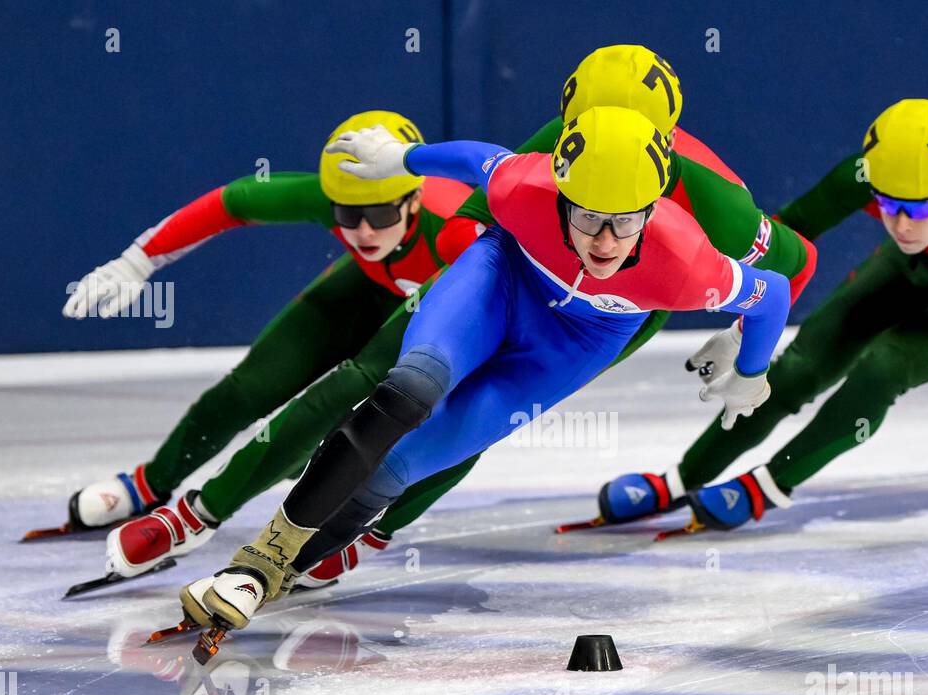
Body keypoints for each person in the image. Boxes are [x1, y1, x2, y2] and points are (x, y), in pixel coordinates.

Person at [177, 105, 796, 656]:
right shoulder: (525, 187)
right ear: (559, 194)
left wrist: (751, 369)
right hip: (499, 281)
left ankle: (284, 573)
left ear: (653, 207)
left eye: (625, 221)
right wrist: (401, 159)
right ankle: (258, 563)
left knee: (402, 471)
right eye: (586, 216)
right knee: (410, 390)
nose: (605, 242)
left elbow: (772, 293)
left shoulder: (685, 262)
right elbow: (478, 161)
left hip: (571, 345)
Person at [596, 98, 928, 535]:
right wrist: (742, 322)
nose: (898, 222)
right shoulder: (875, 179)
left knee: (885, 365)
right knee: (799, 366)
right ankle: (682, 476)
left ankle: (770, 485)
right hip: (926, 262)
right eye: (886, 204)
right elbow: (790, 235)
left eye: (916, 209)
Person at [45, 112, 468, 569]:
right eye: (347, 215)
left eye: (382, 213)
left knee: (416, 420)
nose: (364, 232)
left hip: (448, 305)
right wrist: (135, 262)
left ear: (414, 199)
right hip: (372, 288)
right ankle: (147, 485)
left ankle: (361, 537)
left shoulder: (454, 230)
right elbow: (231, 202)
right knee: (247, 388)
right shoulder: (334, 199)